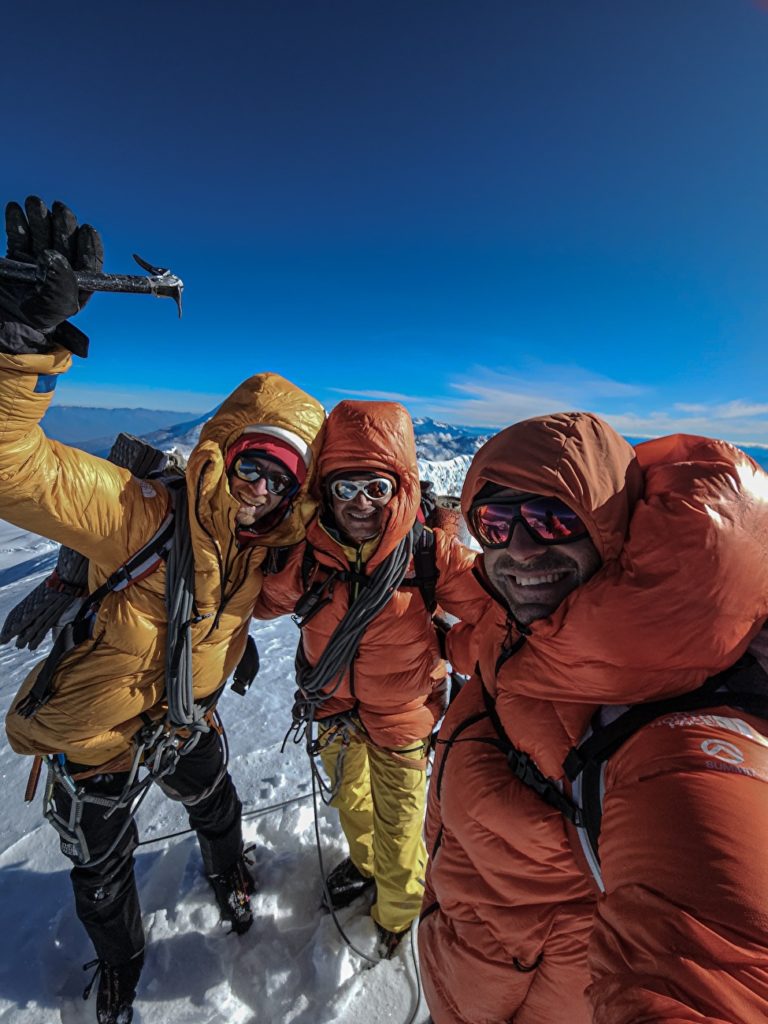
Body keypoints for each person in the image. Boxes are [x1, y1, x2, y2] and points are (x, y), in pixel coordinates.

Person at [0, 196, 325, 1024]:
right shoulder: (141, 511)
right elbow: (19, 472)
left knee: (216, 806)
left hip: (185, 717)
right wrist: (22, 345)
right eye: (252, 465)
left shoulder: (262, 550)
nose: (259, 491)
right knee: (100, 871)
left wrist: (228, 646)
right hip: (95, 735)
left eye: (281, 480)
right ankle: (123, 964)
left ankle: (229, 870)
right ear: (223, 454)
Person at [419, 411, 768, 1024]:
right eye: (496, 523)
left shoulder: (670, 739)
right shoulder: (528, 624)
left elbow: (710, 968)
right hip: (467, 973)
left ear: (609, 532)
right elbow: (490, 658)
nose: (520, 547)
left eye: (553, 519)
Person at [254, 398, 489, 956]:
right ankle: (364, 866)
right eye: (345, 488)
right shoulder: (308, 554)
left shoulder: (430, 555)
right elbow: (259, 602)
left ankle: (398, 910)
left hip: (405, 714)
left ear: (400, 489)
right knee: (350, 801)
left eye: (376, 489)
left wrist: (456, 647)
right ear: (325, 490)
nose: (360, 504)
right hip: (332, 706)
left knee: (402, 823)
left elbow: (496, 615)